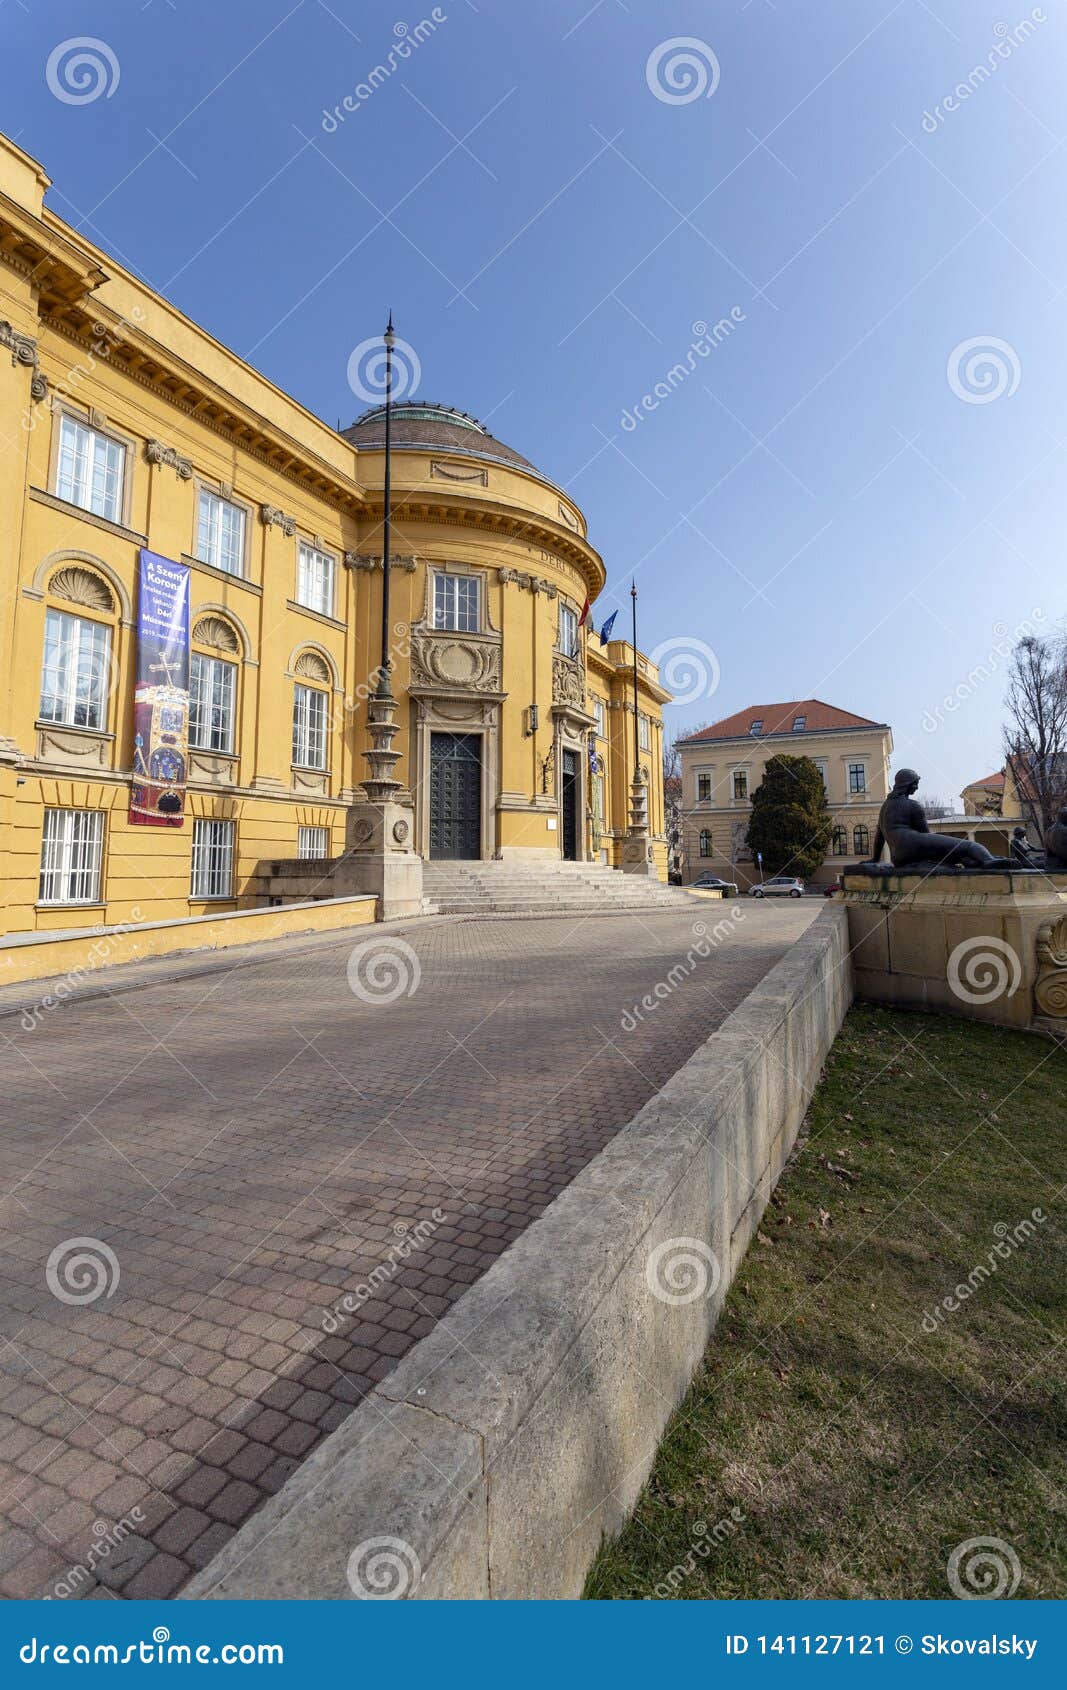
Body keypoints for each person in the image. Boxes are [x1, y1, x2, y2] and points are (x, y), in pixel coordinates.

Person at [870, 770, 1001, 869]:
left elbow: (879, 836)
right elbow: (925, 835)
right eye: (915, 784)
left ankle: (972, 861)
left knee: (949, 850)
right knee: (970, 846)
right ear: (907, 784)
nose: (916, 787)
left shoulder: (885, 806)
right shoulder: (913, 805)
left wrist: (874, 859)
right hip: (913, 847)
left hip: (898, 858)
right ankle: (989, 861)